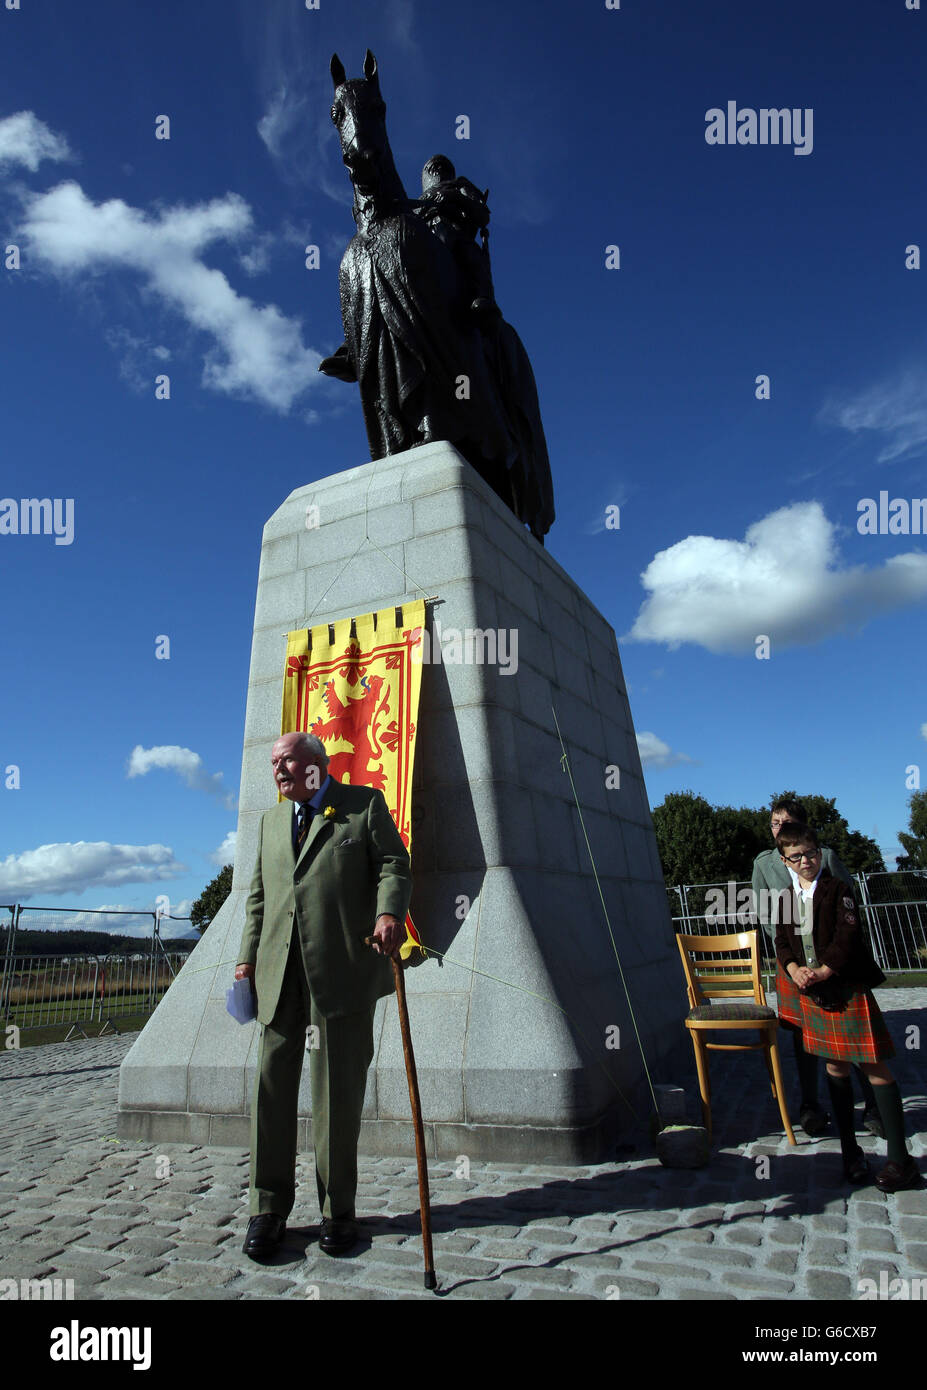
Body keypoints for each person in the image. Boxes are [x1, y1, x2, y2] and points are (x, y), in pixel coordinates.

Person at [235, 731, 412, 1258]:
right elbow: (259, 898)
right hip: (276, 977)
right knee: (270, 1091)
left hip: (340, 973)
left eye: (286, 760)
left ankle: (338, 1210)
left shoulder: (361, 804)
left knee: (336, 1093)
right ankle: (266, 1209)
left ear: (317, 763)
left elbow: (393, 863)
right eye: (272, 763)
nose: (277, 770)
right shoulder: (269, 822)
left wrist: (388, 912)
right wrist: (246, 959)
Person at [773, 822, 920, 1191]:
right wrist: (794, 971)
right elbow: (782, 942)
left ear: (818, 852)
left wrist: (824, 970)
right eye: (796, 856)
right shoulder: (785, 899)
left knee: (873, 1064)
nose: (805, 861)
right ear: (784, 860)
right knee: (835, 1066)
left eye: (810, 853)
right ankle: (850, 1152)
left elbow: (848, 936)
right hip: (815, 993)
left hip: (845, 986)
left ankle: (901, 1161)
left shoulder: (839, 890)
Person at [752, 797, 881, 1138]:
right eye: (774, 823)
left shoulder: (827, 858)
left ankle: (873, 1104)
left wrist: (829, 960)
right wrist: (791, 959)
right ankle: (810, 1105)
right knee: (801, 1036)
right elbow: (764, 911)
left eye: (787, 821)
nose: (779, 827)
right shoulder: (765, 863)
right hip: (792, 960)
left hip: (831, 960)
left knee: (849, 1037)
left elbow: (847, 908)